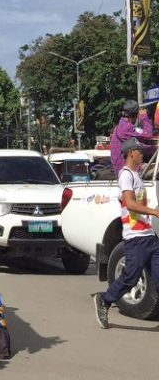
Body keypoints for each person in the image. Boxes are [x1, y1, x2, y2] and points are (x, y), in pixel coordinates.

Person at [94, 137, 159, 330]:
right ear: (131, 153)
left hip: (148, 236)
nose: (142, 154)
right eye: (139, 151)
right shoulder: (125, 175)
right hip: (135, 238)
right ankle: (104, 299)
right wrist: (155, 212)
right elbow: (130, 203)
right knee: (131, 277)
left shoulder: (136, 174)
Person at [110, 99, 153, 175]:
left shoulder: (123, 126)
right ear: (136, 114)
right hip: (128, 170)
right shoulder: (126, 128)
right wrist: (144, 117)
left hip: (125, 168)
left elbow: (141, 139)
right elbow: (148, 134)